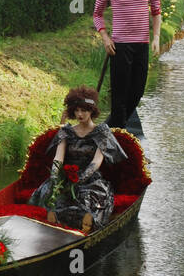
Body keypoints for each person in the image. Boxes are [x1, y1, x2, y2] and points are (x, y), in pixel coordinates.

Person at [28, 85, 128, 233]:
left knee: (88, 198)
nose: (79, 114)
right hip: (65, 177)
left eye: (84, 110)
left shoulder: (102, 132)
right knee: (54, 195)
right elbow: (58, 158)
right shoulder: (66, 132)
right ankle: (55, 219)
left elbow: (96, 162)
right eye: (76, 110)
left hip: (90, 179)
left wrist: (79, 179)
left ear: (91, 110)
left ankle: (85, 222)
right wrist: (56, 177)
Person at [92, 0, 162, 130]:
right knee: (119, 94)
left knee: (138, 90)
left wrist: (156, 37)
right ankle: (117, 132)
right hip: (119, 46)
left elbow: (156, 12)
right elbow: (97, 14)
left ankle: (111, 128)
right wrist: (105, 38)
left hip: (142, 44)